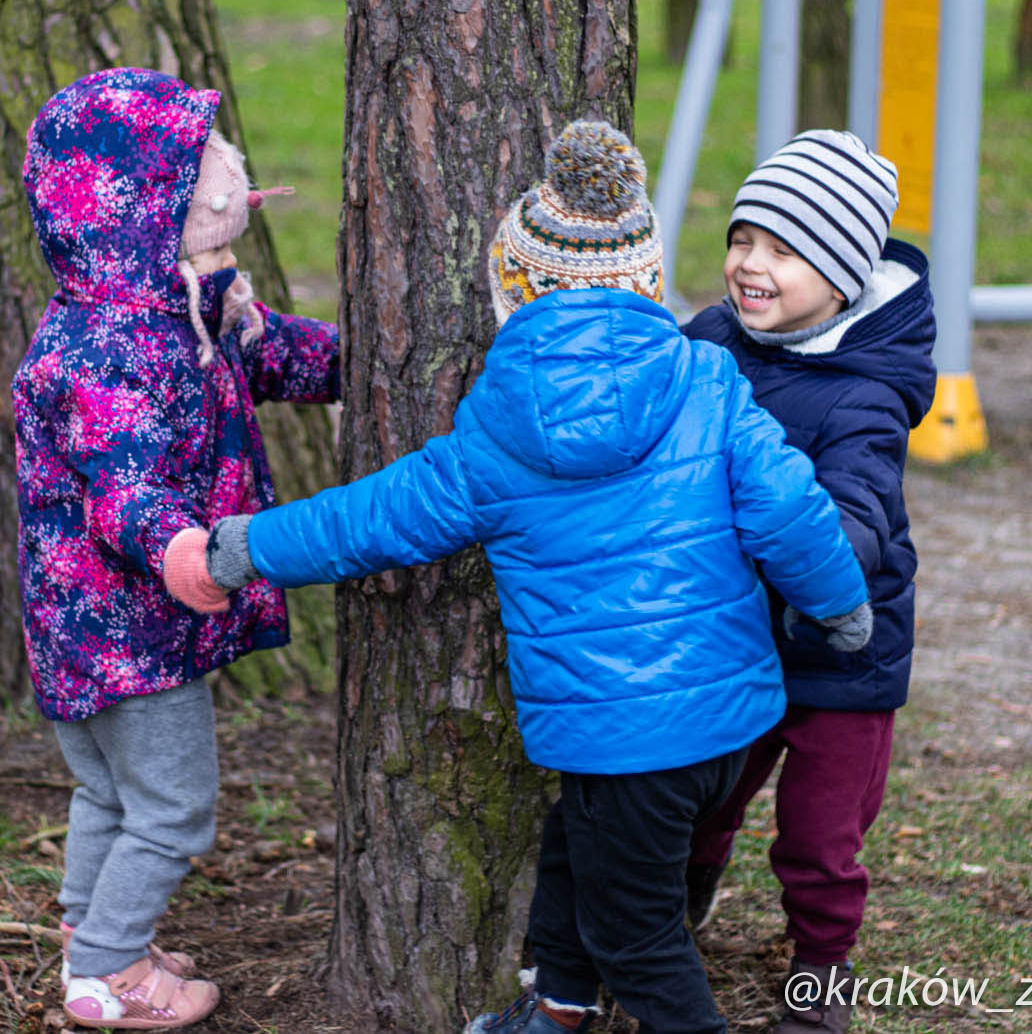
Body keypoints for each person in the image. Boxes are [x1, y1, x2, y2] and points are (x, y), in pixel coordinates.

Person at [163, 121, 872, 1034]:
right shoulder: (709, 380)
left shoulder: (498, 435)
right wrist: (839, 604)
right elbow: (791, 509)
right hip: (724, 723)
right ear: (647, 282)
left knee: (638, 938)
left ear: (515, 290)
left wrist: (247, 546)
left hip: (620, 731)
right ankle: (559, 1008)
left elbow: (372, 518)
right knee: (576, 845)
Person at [13, 68, 340, 1029]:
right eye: (203, 177)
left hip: (85, 629)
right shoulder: (110, 351)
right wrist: (182, 549)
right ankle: (109, 973)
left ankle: (92, 936)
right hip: (124, 632)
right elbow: (125, 490)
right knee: (173, 805)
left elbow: (265, 353)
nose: (234, 184)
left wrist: (357, 358)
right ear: (138, 214)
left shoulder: (173, 306)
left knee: (109, 791)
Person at [679, 131, 937, 1034]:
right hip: (738, 637)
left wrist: (815, 555)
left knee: (820, 838)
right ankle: (690, 884)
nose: (751, 264)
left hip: (842, 657)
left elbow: (858, 511)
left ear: (842, 277)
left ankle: (821, 968)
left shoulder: (865, 391)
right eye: (743, 238)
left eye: (784, 250)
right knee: (702, 789)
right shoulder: (710, 339)